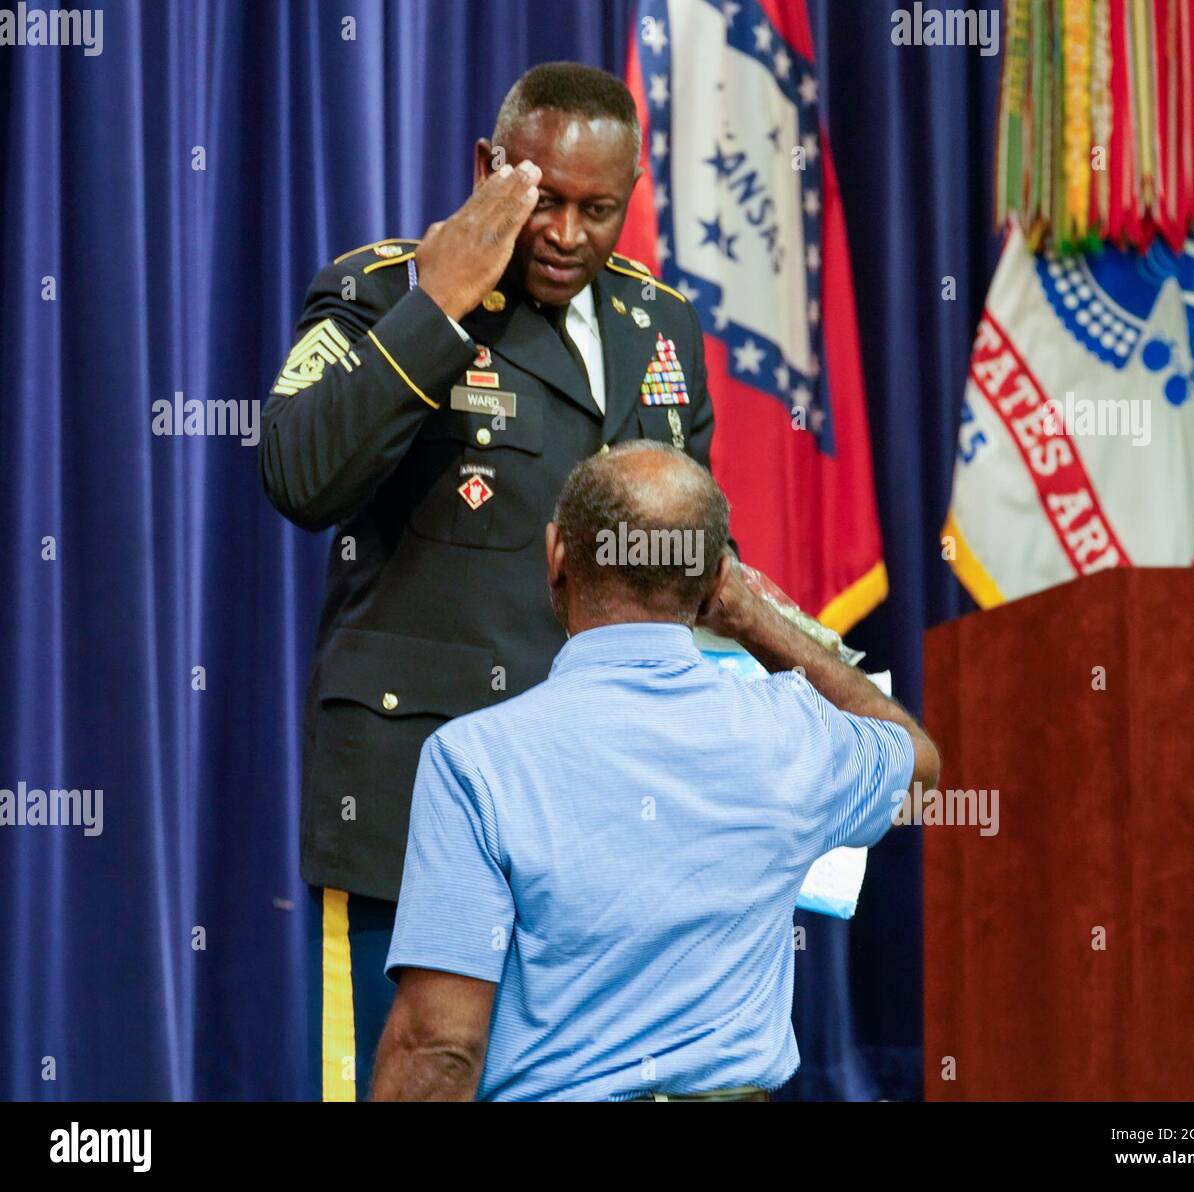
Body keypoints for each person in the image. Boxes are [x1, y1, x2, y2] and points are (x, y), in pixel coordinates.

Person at [258, 63, 719, 1100]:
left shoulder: (663, 329)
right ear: (487, 167)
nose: (564, 233)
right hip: (417, 801)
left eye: (596, 209)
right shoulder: (380, 288)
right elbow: (298, 472)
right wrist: (438, 302)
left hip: (609, 817)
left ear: (630, 197)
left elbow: (686, 558)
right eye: (541, 197)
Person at [372, 442, 940, 1102]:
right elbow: (917, 764)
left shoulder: (475, 761)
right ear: (713, 581)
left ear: (557, 556)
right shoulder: (792, 730)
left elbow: (440, 1045)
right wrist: (762, 624)